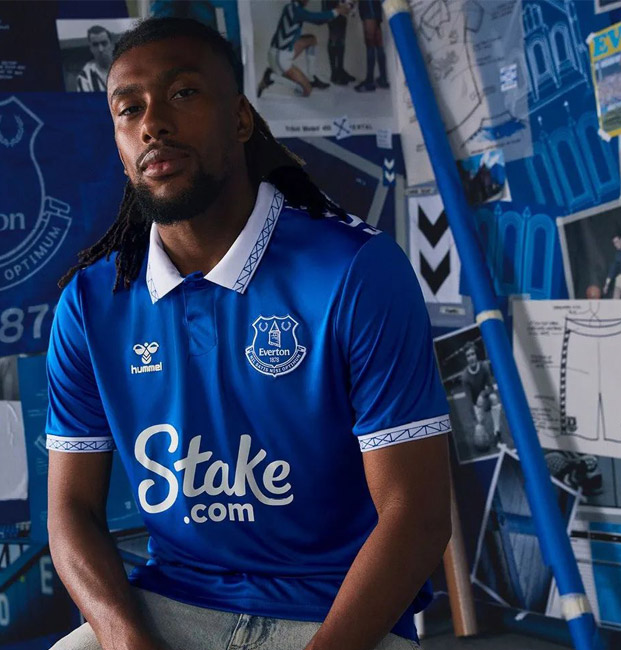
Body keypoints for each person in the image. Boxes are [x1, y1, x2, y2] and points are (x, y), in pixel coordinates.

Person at [46, 17, 451, 650]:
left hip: (338, 618)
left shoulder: (356, 271)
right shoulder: (91, 303)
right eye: (130, 109)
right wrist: (128, 642)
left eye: (183, 93)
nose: (153, 124)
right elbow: (69, 512)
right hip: (172, 606)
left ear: (240, 119)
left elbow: (418, 517)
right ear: (120, 145)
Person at [257, 0, 351, 98]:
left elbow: (318, 20)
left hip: (281, 51)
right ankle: (271, 77)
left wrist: (336, 11)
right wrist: (338, 10)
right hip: (280, 58)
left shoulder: (291, 7)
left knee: (311, 40)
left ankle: (311, 78)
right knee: (306, 91)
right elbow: (317, 19)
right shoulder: (297, 11)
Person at [460, 343, 502, 450]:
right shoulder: (465, 376)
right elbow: (469, 401)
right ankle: (482, 435)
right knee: (479, 430)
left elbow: (491, 387)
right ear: (466, 359)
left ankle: (497, 432)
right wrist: (476, 422)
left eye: (473, 354)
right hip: (476, 406)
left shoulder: (484, 366)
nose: (471, 357)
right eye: (468, 355)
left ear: (476, 355)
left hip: (485, 400)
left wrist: (482, 395)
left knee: (494, 398)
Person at [354, 0, 389, 92]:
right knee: (378, 44)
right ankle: (383, 79)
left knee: (370, 44)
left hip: (368, 8)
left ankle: (370, 81)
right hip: (374, 8)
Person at [323, 0, 355, 85]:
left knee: (341, 36)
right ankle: (334, 72)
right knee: (334, 35)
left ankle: (340, 69)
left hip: (340, 4)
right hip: (332, 5)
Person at [77, 25, 115, 92]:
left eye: (104, 43)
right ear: (91, 48)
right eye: (95, 45)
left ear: (112, 45)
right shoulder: (84, 78)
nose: (100, 49)